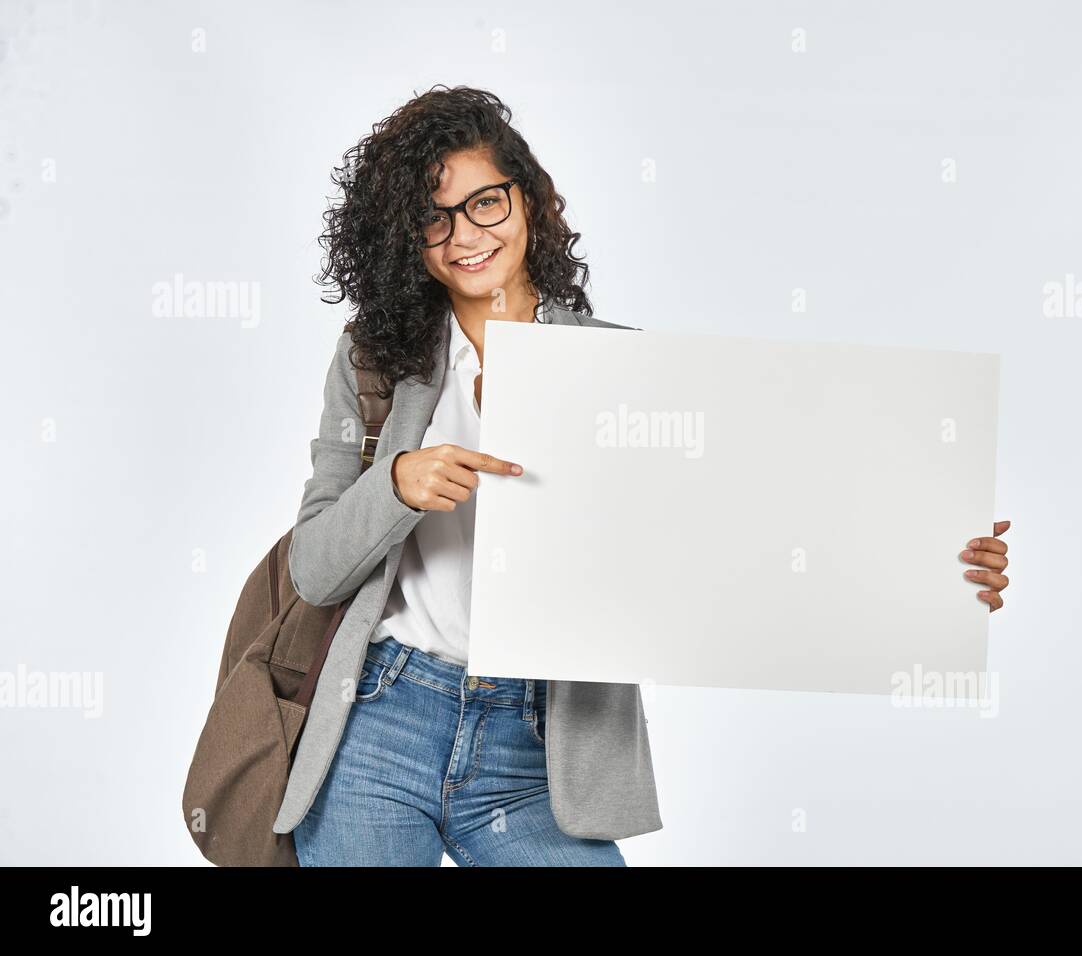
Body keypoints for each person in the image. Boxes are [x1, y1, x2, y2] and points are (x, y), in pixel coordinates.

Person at [284, 85, 1011, 867]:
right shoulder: (374, 361)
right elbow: (315, 570)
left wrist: (937, 570)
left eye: (485, 202)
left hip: (542, 745)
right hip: (385, 721)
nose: (465, 234)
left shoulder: (623, 369)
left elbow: (758, 526)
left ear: (526, 199)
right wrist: (396, 485)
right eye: (435, 217)